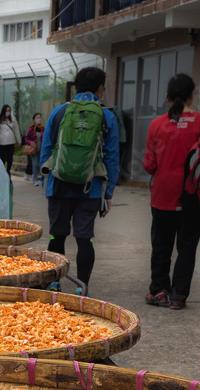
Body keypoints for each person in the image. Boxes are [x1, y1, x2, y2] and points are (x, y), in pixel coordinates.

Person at [39, 67, 120, 294]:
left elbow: (45, 151)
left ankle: (54, 282)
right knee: (85, 239)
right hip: (90, 187)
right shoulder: (107, 116)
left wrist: (48, 184)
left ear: (76, 87)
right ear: (100, 88)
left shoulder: (58, 113)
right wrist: (108, 193)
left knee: (57, 235)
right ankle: (81, 288)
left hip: (58, 184)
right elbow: (112, 158)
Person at [141, 73, 200, 311]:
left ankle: (159, 291)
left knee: (161, 245)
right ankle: (179, 296)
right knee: (187, 246)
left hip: (163, 195)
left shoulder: (157, 124)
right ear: (192, 95)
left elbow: (149, 165)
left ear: (167, 97)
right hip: (194, 195)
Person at [0, 104, 20, 177]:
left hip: (11, 143)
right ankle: (2, 173)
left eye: (9, 111)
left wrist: (19, 141)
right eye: (6, 111)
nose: (8, 112)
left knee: (10, 159)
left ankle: (8, 170)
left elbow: (16, 130)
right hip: (2, 143)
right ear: (3, 111)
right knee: (3, 159)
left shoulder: (13, 119)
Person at [24, 113, 45, 187]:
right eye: (37, 118)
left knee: (40, 165)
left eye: (40, 117)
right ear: (34, 120)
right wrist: (31, 142)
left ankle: (35, 177)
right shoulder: (31, 129)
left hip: (41, 149)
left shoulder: (43, 128)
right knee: (35, 164)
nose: (39, 119)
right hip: (34, 150)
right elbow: (26, 139)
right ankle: (35, 179)